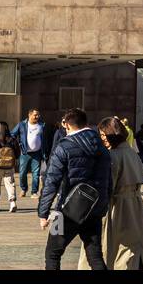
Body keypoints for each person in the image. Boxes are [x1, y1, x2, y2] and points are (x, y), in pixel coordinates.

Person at [84, 117, 143, 269]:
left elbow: (107, 186)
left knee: (113, 247)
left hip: (116, 207)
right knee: (137, 244)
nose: (103, 139)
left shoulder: (112, 156)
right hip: (136, 207)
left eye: (103, 135)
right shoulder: (132, 152)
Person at [38, 108, 111, 270]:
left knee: (52, 253)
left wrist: (43, 213)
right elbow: (108, 179)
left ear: (68, 124)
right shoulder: (101, 145)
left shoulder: (64, 146)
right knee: (95, 256)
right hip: (94, 208)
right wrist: (104, 204)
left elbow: (51, 181)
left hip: (65, 210)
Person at [12, 110, 49, 197]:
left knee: (36, 173)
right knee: (22, 173)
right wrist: (17, 143)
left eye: (38, 115)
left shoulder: (42, 125)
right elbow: (12, 133)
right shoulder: (22, 125)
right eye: (35, 115)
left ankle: (34, 192)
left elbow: (45, 138)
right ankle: (24, 189)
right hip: (25, 153)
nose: (37, 117)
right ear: (29, 115)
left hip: (37, 153)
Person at [0, 120, 20, 212]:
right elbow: (18, 153)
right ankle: (12, 202)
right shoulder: (12, 139)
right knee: (10, 184)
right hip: (9, 165)